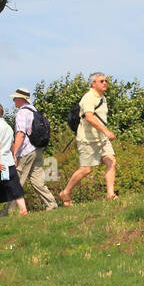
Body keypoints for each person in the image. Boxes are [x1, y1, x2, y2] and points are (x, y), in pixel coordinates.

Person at [59, 71, 116, 205]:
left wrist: (104, 134)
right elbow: (89, 117)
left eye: (105, 80)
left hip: (101, 138)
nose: (105, 83)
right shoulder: (88, 98)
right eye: (101, 81)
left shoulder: (103, 98)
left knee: (111, 161)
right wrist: (107, 131)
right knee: (86, 169)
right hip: (87, 140)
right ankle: (65, 192)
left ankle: (110, 195)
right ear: (93, 83)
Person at [0, 88, 57, 214]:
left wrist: (14, 153)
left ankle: (9, 212)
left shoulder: (21, 113)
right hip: (37, 149)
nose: (14, 100)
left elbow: (20, 134)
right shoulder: (34, 110)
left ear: (21, 99)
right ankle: (51, 204)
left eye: (15, 98)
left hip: (26, 151)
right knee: (37, 181)